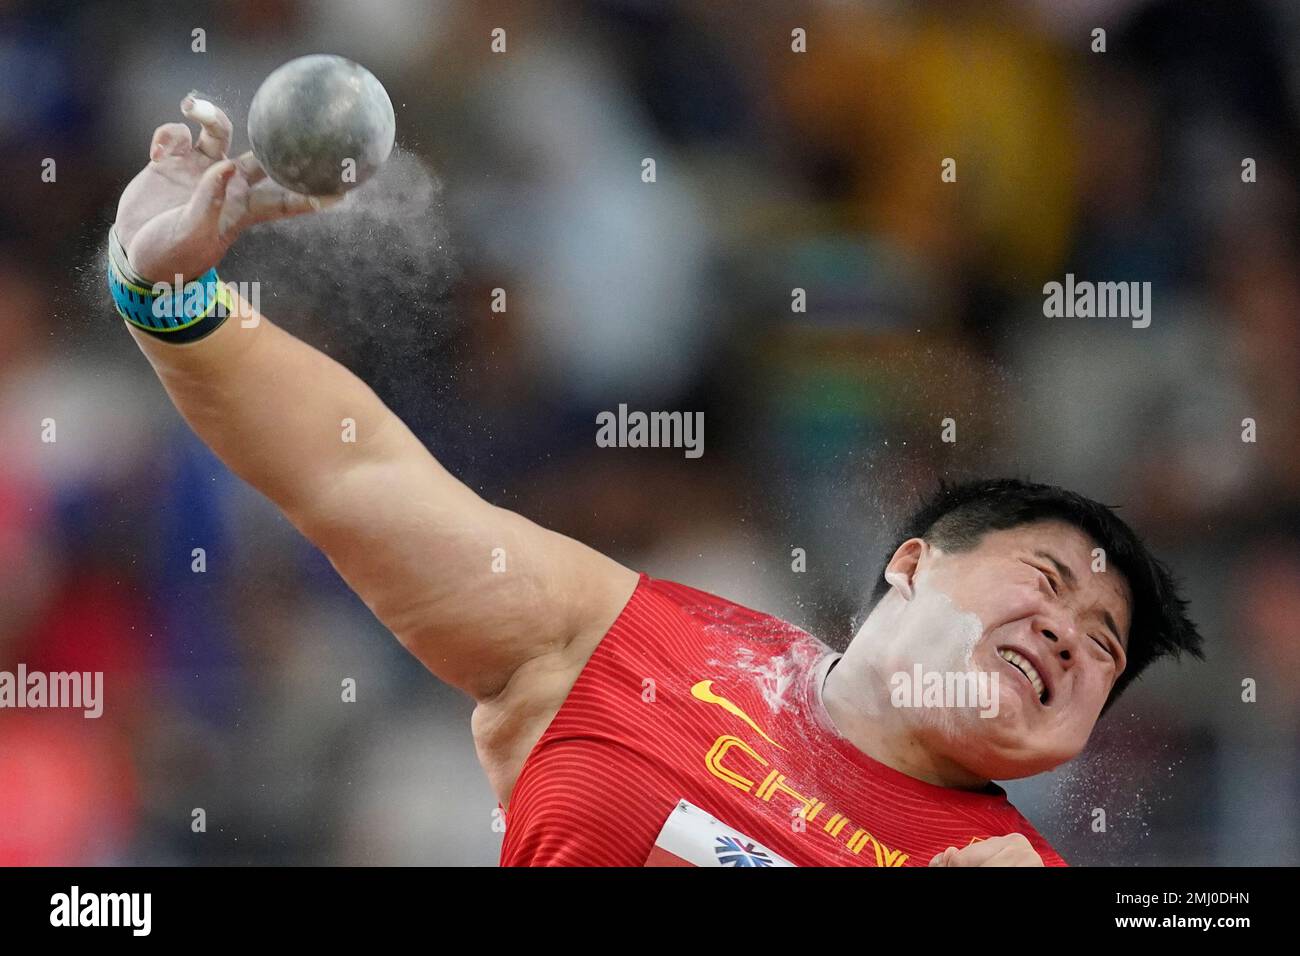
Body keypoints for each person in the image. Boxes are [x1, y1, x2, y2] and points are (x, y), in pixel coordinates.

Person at [106, 99, 1203, 867]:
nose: (1070, 631)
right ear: (910, 565)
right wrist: (171, 298)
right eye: (1049, 578)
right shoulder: (625, 643)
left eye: (1105, 643)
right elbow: (359, 473)